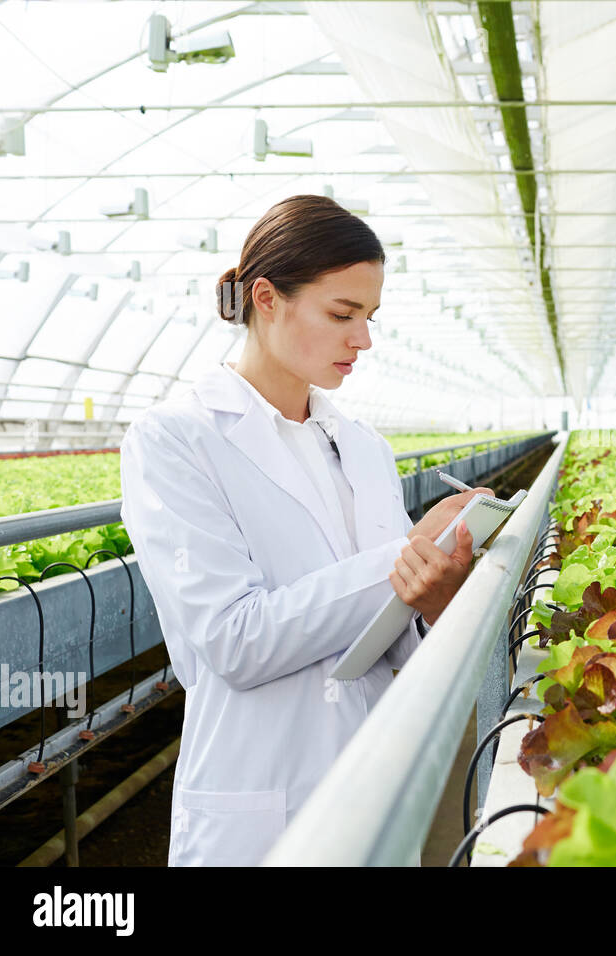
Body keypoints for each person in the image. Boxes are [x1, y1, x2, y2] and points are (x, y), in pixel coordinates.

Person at [119, 195, 491, 866]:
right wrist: (401, 564)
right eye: (342, 314)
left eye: (370, 317)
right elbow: (236, 641)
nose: (364, 340)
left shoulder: (364, 447)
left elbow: (394, 636)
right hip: (259, 810)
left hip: (379, 784)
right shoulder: (177, 440)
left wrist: (434, 599)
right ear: (267, 298)